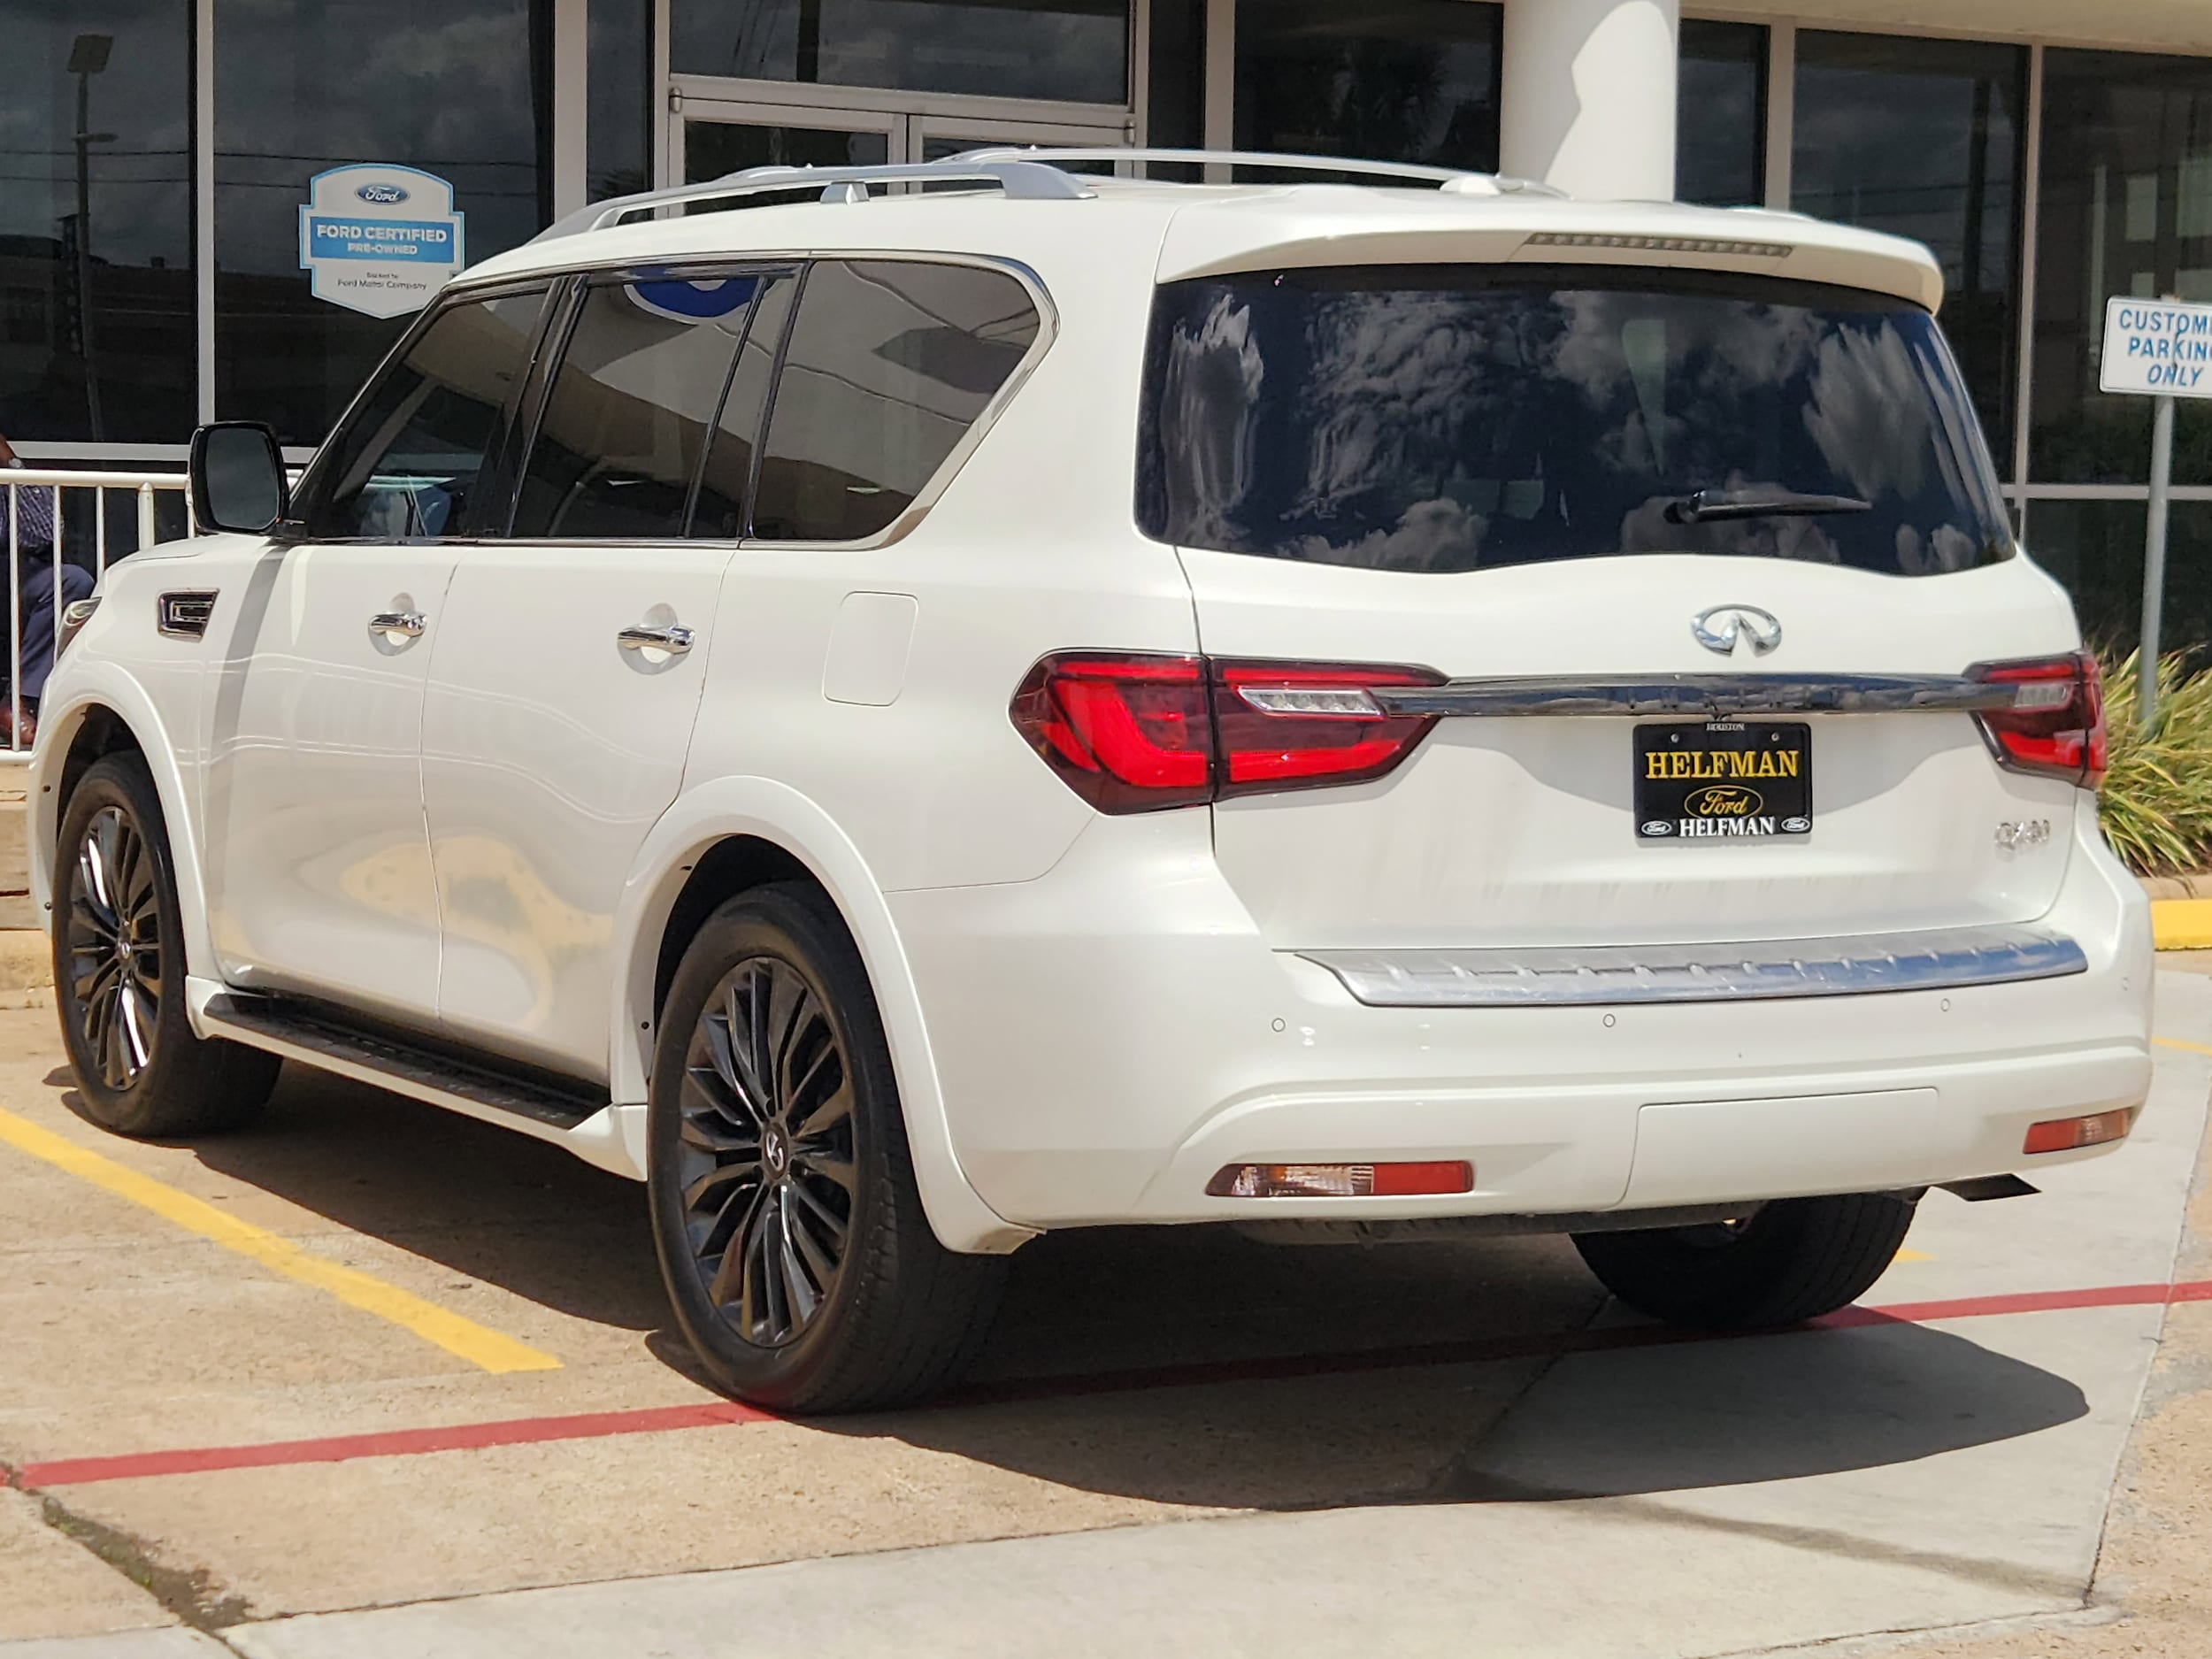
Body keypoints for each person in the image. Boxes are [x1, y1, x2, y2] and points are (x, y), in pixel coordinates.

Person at [0, 432, 97, 748]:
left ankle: (20, 701)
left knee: (71, 580)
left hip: (16, 574)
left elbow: (47, 534)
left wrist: (12, 466)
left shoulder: (14, 479)